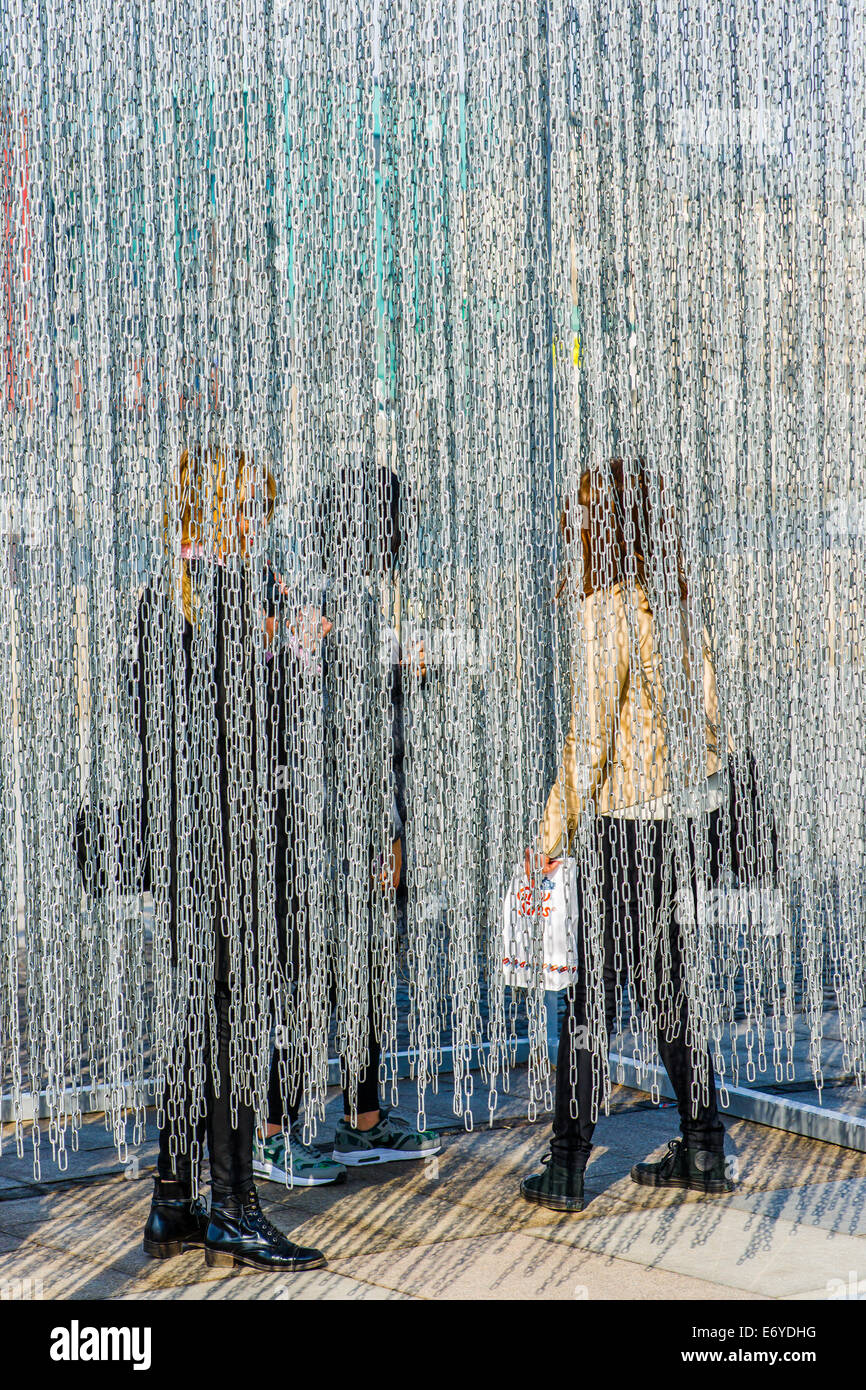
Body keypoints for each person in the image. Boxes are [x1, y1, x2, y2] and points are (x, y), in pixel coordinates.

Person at [520, 458, 734, 1214]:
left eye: (581, 517)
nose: (570, 529)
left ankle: (568, 1164)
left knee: (588, 1001)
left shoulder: (606, 610)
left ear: (601, 528)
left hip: (630, 825)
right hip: (689, 816)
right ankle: (704, 1144)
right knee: (673, 985)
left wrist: (550, 832)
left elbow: (590, 743)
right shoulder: (677, 597)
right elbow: (713, 716)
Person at [139, 444, 326, 1271]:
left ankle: (173, 1201)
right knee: (237, 1026)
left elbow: (159, 737)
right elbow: (250, 735)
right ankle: (236, 1208)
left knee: (195, 1024)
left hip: (184, 846)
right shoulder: (232, 599)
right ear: (217, 512)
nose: (262, 524)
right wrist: (295, 653)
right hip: (233, 847)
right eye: (250, 507)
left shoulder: (160, 599)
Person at [255, 466, 439, 1185]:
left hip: (319, 825)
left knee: (351, 977)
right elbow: (359, 745)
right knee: (317, 980)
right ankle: (273, 1130)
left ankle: (363, 1119)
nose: (401, 538)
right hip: (336, 834)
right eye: (394, 522)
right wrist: (388, 835)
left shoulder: (325, 597)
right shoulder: (343, 606)